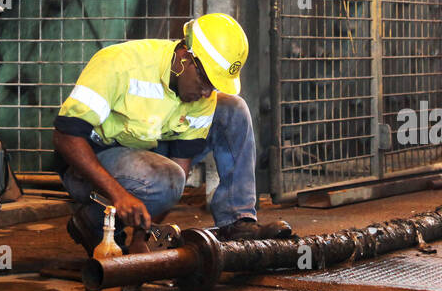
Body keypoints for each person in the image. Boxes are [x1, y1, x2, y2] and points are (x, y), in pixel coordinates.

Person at [53, 13, 293, 254]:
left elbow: (177, 176)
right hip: (87, 164)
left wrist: (143, 236)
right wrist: (119, 195)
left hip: (145, 154)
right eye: (205, 80)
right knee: (160, 177)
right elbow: (65, 137)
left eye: (214, 85)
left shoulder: (203, 93)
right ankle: (94, 221)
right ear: (184, 58)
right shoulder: (120, 64)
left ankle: (237, 223)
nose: (207, 91)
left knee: (233, 109)